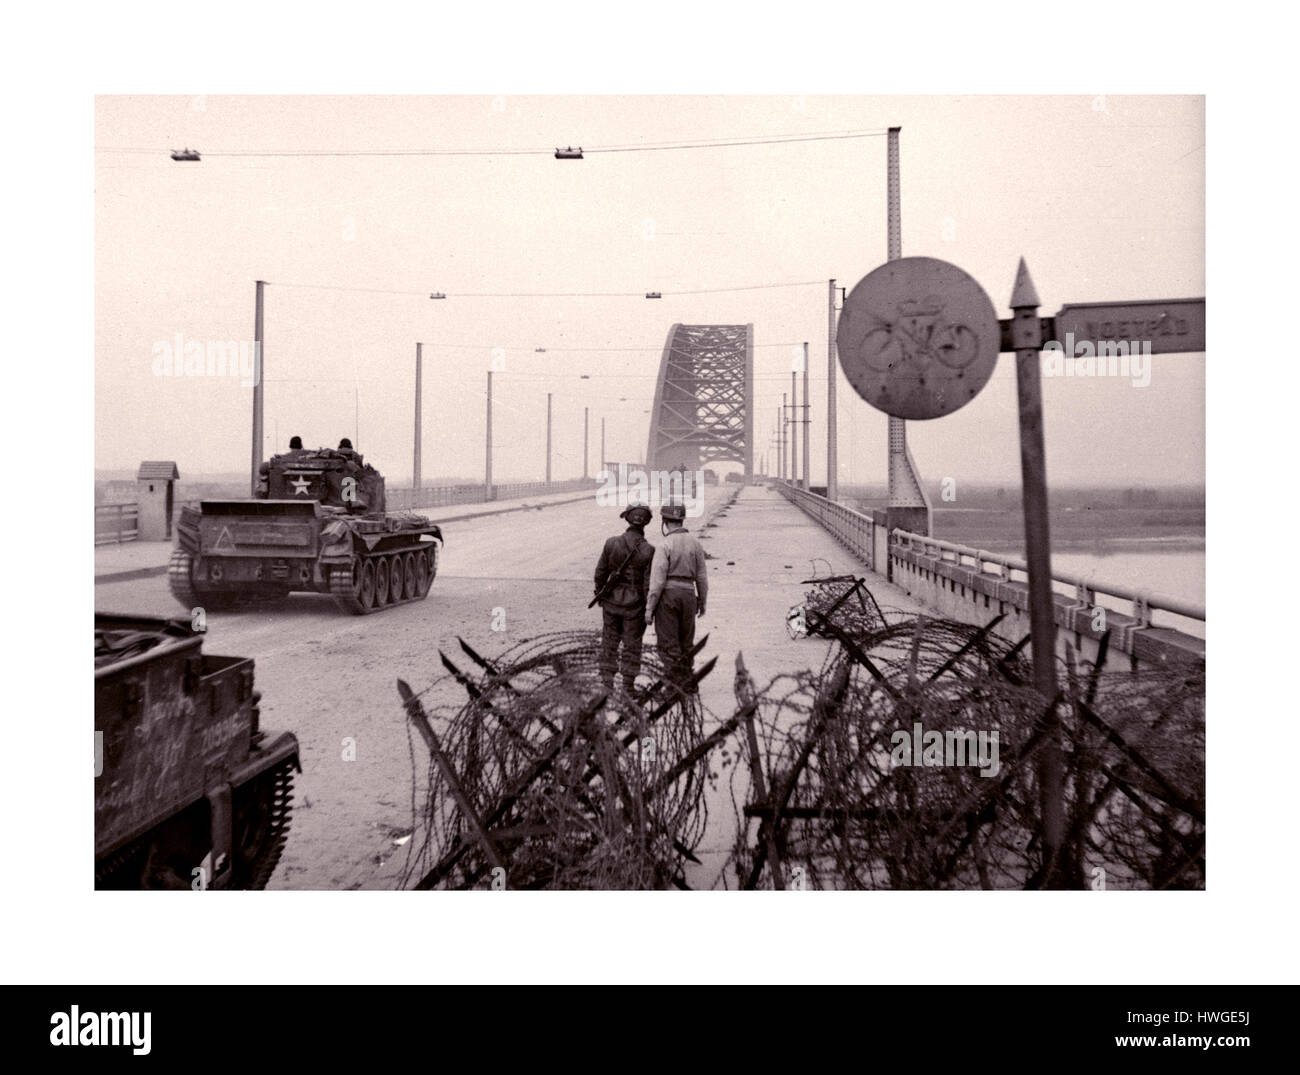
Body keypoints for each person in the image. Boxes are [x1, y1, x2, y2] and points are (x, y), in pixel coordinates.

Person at [645, 500, 708, 697]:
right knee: (686, 640)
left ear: (664, 520)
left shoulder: (664, 544)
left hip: (668, 596)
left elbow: (657, 581)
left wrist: (649, 608)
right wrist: (702, 600)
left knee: (668, 642)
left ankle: (674, 686)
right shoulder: (695, 543)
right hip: (689, 594)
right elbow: (702, 577)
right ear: (682, 519)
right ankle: (689, 682)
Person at [593, 504, 655, 693]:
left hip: (611, 601)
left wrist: (600, 593)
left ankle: (606, 684)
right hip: (635, 605)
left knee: (609, 641)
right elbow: (647, 583)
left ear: (627, 519)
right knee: (632, 644)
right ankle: (628, 687)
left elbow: (600, 573)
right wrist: (647, 607)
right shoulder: (649, 550)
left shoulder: (611, 543)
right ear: (646, 522)